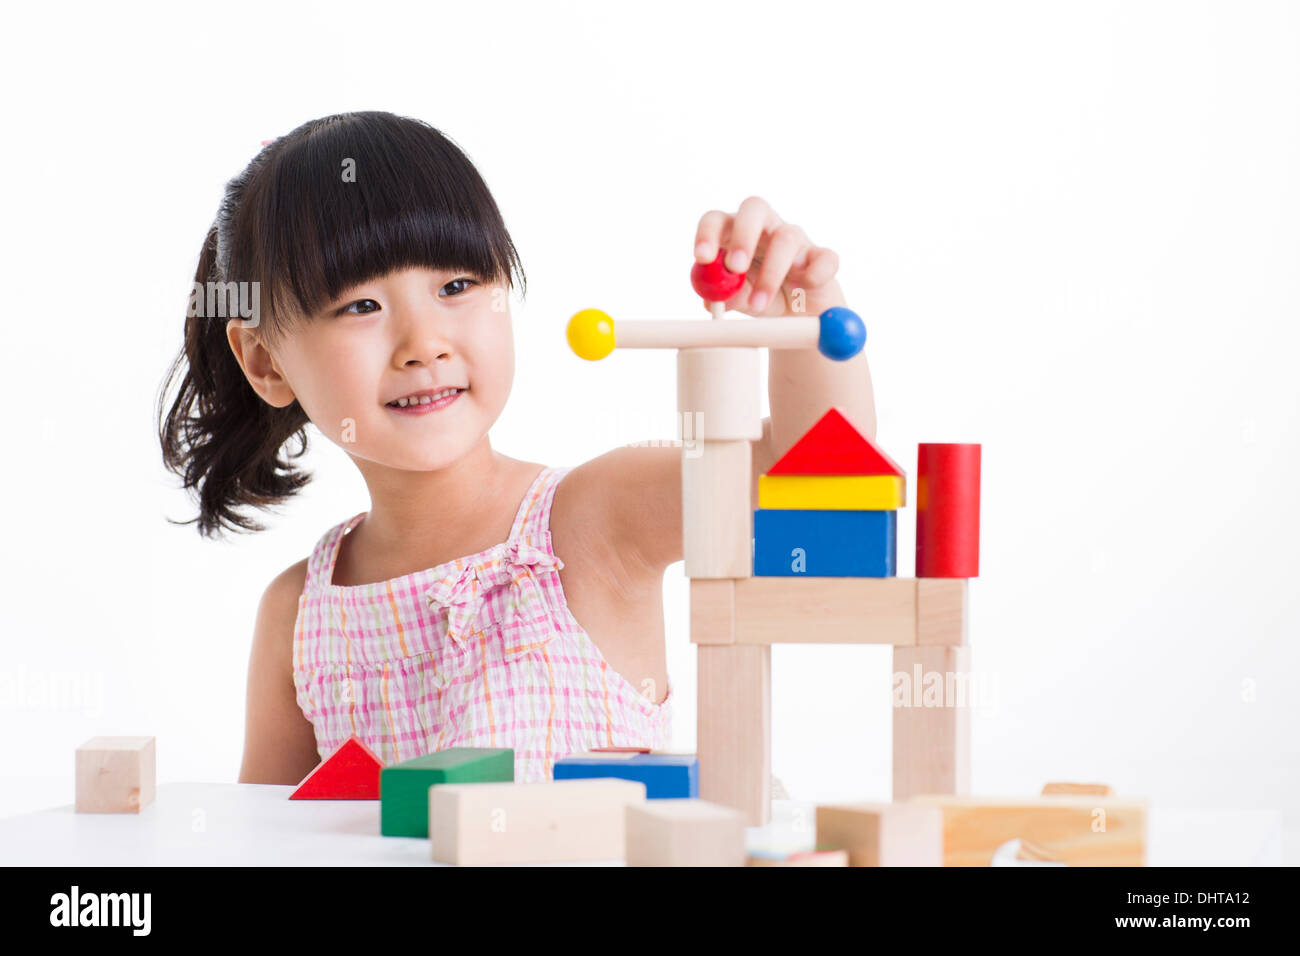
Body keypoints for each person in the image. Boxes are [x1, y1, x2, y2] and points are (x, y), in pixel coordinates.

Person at [157, 110, 876, 785]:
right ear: (265, 363)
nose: (424, 344)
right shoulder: (300, 612)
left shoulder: (594, 522)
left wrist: (804, 308)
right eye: (361, 306)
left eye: (458, 284)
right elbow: (260, 843)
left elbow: (815, 497)